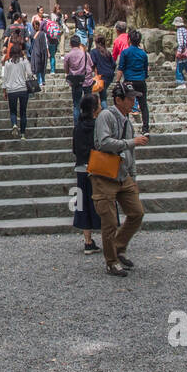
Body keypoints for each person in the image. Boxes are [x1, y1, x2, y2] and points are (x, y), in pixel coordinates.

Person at [92, 84, 148, 276]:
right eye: (130, 98)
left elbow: (131, 152)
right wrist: (131, 142)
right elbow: (103, 142)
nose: (133, 102)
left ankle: (118, 246)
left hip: (123, 175)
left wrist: (133, 176)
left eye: (134, 98)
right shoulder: (106, 116)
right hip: (104, 175)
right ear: (118, 99)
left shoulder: (127, 121)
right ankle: (112, 261)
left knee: (137, 212)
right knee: (109, 222)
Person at [72, 94, 103, 255]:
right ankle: (109, 238)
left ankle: (88, 241)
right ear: (94, 109)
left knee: (83, 203)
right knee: (102, 203)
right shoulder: (98, 125)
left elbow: (74, 150)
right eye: (99, 104)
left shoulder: (78, 127)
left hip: (81, 170)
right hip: (98, 169)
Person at [114, 29, 150, 132]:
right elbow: (145, 69)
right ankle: (145, 128)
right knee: (143, 105)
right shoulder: (143, 54)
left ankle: (127, 128)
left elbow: (121, 68)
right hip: (141, 81)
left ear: (129, 39)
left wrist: (117, 81)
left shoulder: (125, 52)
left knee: (126, 105)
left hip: (129, 81)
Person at [2, 44, 33, 139]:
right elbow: (30, 74)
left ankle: (14, 124)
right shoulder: (24, 61)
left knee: (13, 111)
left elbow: (5, 77)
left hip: (11, 90)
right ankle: (23, 134)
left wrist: (4, 90)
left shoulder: (7, 63)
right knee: (23, 112)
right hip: (23, 89)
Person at [65, 36, 93, 118]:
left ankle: (77, 125)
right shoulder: (85, 54)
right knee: (88, 104)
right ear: (79, 43)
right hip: (86, 81)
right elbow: (91, 66)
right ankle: (88, 121)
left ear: (70, 44)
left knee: (76, 105)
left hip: (75, 81)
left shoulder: (68, 56)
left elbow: (66, 70)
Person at [90, 36, 116, 104]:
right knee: (103, 92)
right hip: (110, 75)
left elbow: (93, 64)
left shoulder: (93, 52)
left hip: (101, 76)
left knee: (103, 96)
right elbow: (114, 64)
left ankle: (104, 111)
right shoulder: (107, 52)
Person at [29, 19, 50, 89]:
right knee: (37, 67)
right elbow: (30, 44)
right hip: (35, 52)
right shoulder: (31, 34)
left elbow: (46, 43)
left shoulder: (42, 33)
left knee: (42, 66)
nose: (36, 26)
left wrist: (47, 52)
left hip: (42, 51)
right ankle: (40, 80)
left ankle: (42, 80)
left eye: (37, 25)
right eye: (35, 25)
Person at [173, 17, 187, 85]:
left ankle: (180, 83)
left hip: (183, 54)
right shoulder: (186, 30)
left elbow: (181, 43)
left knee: (179, 68)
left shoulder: (179, 31)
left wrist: (179, 52)